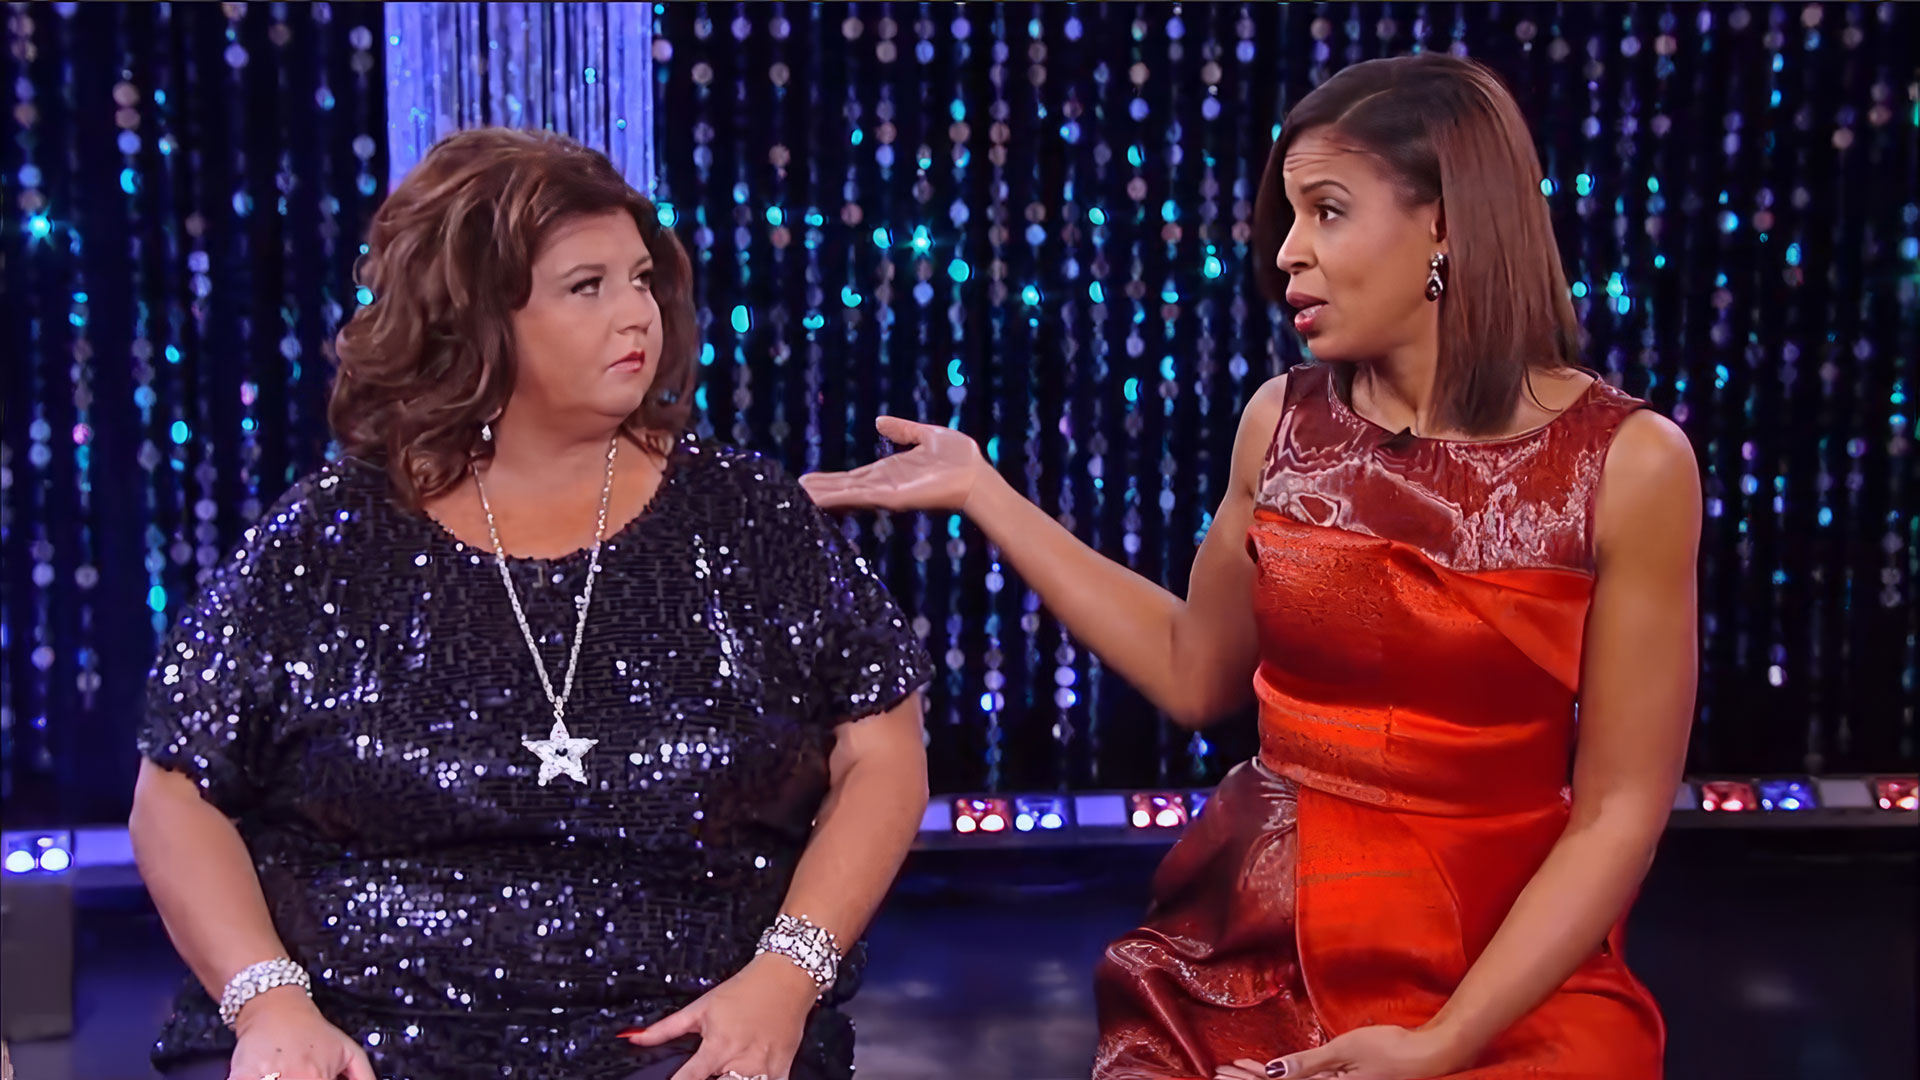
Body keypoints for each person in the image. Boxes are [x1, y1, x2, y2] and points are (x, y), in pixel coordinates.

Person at [801, 53, 1699, 1080]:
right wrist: (984, 491)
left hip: (1502, 968)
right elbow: (1195, 671)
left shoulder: (1628, 464)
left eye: (1327, 212)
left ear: (1445, 224)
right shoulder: (1282, 423)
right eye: (1289, 216)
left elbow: (1619, 812)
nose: (1286, 253)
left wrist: (1442, 1043)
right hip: (1259, 956)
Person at [129, 127, 934, 1080]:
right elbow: (174, 797)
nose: (636, 315)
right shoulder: (328, 534)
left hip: (687, 1038)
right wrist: (269, 1004)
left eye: (641, 280)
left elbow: (882, 755)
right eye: (587, 287)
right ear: (474, 319)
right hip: (352, 1039)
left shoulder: (747, 516)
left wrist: (786, 978)